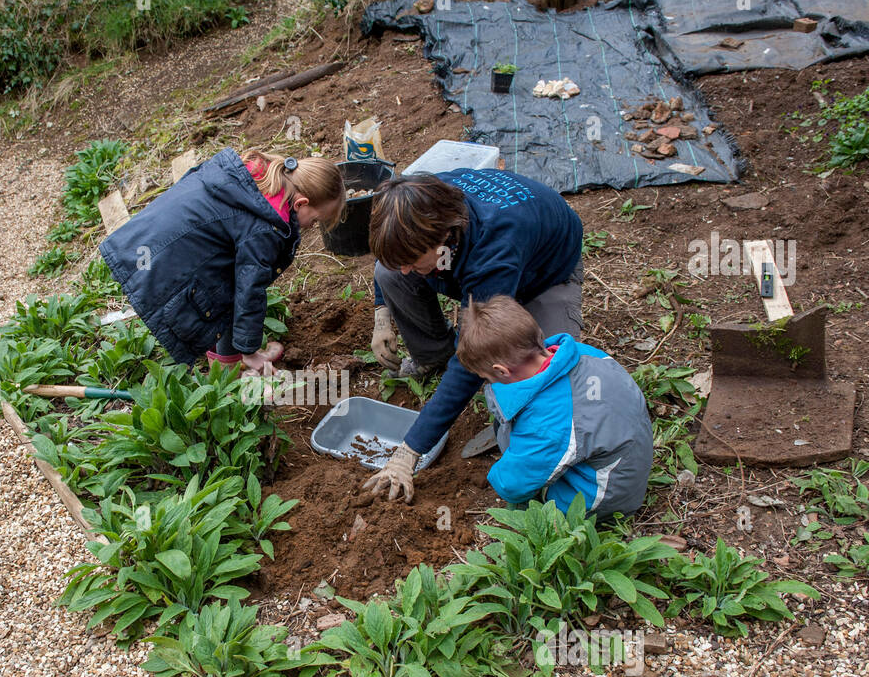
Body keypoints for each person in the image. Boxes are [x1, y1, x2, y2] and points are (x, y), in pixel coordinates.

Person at [362, 169, 584, 502]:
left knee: (544, 375)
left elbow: (471, 358)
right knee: (389, 274)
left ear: (443, 237)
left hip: (544, 276)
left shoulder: (496, 246)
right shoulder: (420, 202)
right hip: (465, 263)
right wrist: (382, 313)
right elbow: (392, 258)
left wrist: (409, 451)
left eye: (410, 259)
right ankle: (433, 354)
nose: (405, 267)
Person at [100, 148, 345, 372]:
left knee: (225, 280)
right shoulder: (265, 228)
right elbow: (249, 291)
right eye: (314, 221)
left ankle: (232, 356)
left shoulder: (251, 175)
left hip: (143, 243)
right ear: (301, 203)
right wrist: (248, 351)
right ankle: (231, 374)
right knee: (225, 295)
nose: (311, 227)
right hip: (162, 268)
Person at [454, 295, 652, 517]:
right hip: (625, 457)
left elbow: (513, 486)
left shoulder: (547, 423)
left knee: (537, 506)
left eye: (487, 377)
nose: (489, 383)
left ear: (502, 371)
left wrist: (497, 476)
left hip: (603, 494)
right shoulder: (582, 353)